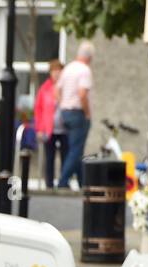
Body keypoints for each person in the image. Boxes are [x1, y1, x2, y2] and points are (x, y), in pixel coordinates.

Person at [57, 42, 95, 190]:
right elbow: (82, 94)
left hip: (65, 112)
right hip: (77, 113)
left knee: (76, 148)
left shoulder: (68, 68)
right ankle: (63, 181)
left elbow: (57, 90)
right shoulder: (85, 70)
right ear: (89, 57)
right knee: (76, 149)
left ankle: (82, 181)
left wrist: (63, 105)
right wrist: (87, 113)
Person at [35, 59, 66, 189]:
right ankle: (49, 184)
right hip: (49, 129)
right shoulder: (44, 89)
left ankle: (64, 182)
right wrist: (40, 129)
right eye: (54, 71)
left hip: (65, 129)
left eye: (59, 71)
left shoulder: (66, 87)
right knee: (50, 157)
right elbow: (39, 110)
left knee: (65, 156)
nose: (57, 74)